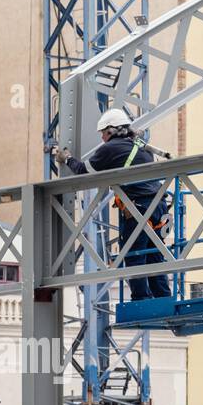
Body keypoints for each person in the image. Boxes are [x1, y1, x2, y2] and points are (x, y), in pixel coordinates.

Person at [50, 108, 172, 301]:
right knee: (154, 254)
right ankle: (163, 298)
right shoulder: (141, 146)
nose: (102, 138)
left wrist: (67, 158)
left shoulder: (110, 149)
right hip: (159, 207)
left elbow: (83, 171)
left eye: (103, 134)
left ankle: (141, 300)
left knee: (134, 255)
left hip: (139, 209)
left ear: (111, 130)